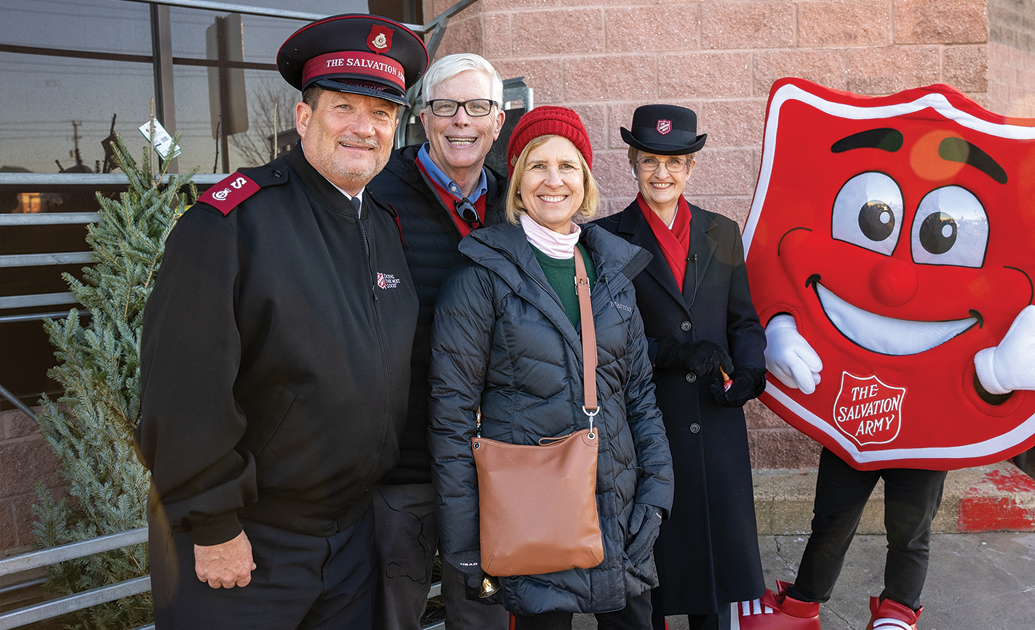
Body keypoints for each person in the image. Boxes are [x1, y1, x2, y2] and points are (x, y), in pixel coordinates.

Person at [136, 14, 426, 629]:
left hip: (348, 541)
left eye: (381, 115)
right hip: (247, 544)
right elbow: (184, 388)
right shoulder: (229, 224)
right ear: (303, 119)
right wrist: (212, 522)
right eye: (344, 107)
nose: (363, 128)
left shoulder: (380, 225)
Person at [428, 106, 675, 629]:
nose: (553, 180)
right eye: (537, 166)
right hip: (530, 512)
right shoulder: (481, 275)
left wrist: (655, 497)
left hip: (620, 506)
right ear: (517, 183)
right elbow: (451, 416)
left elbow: (641, 400)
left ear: (584, 179)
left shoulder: (613, 272)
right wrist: (466, 540)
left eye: (567, 166)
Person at [594, 104, 768, 630]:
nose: (662, 174)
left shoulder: (722, 232)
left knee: (713, 571)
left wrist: (752, 372)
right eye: (649, 161)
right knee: (655, 559)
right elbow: (602, 340)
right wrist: (670, 353)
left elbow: (744, 322)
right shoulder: (605, 238)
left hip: (715, 422)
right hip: (649, 421)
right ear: (633, 163)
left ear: (692, 166)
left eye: (673, 162)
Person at [366, 52, 510, 630]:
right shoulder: (375, 197)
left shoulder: (516, 206)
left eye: (477, 108)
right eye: (446, 107)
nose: (462, 122)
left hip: (493, 463)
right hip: (404, 460)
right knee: (391, 610)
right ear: (422, 118)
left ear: (497, 121)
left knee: (483, 614)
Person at [755, 323, 947, 630]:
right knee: (832, 523)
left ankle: (897, 614)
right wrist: (780, 328)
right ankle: (801, 607)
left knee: (910, 532)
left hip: (926, 424)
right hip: (855, 418)